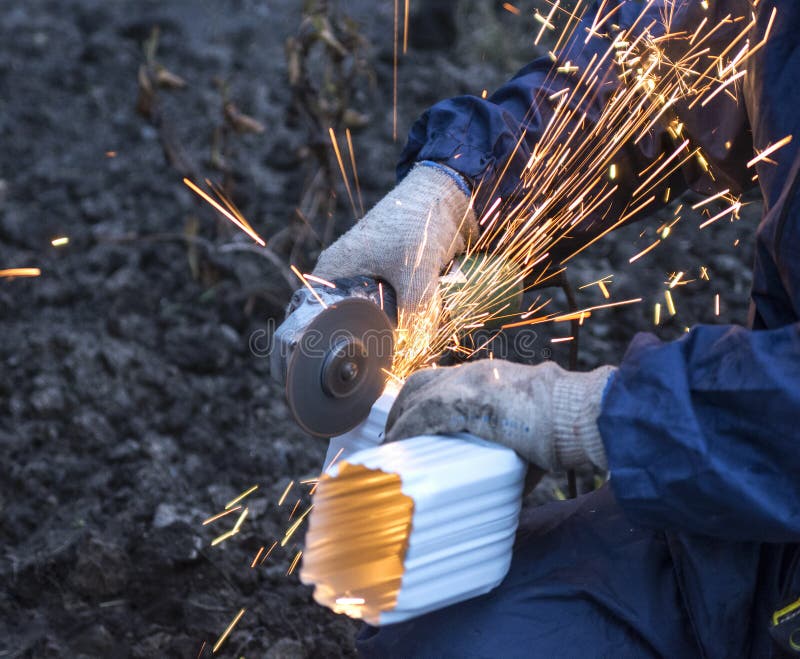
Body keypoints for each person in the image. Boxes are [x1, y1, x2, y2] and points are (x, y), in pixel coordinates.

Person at [311, 1, 800, 656]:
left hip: (762, 447)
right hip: (752, 508)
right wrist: (458, 184)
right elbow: (671, 61)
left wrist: (594, 414)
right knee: (456, 643)